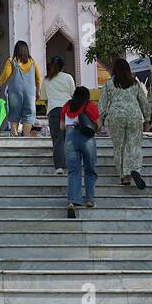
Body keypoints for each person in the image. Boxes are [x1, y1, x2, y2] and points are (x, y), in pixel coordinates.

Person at [100, 56, 148, 189]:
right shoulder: (135, 83)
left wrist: (102, 118)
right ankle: (135, 169)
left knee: (119, 147)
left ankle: (124, 177)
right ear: (128, 69)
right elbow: (143, 102)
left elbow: (102, 104)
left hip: (116, 116)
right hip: (134, 115)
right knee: (134, 145)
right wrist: (147, 118)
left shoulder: (109, 84)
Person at [62, 86, 100, 219]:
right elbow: (98, 124)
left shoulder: (67, 105)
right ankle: (89, 199)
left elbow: (62, 126)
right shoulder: (90, 106)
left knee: (73, 170)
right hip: (87, 138)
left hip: (70, 137)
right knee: (90, 169)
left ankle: (73, 201)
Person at [0, 41, 41, 137]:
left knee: (14, 114)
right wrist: (38, 91)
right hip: (30, 94)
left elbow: (5, 74)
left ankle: (15, 135)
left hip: (15, 93)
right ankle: (26, 136)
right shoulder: (33, 62)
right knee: (28, 115)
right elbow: (38, 79)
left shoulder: (11, 61)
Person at [42, 56, 76, 175]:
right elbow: (73, 94)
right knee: (68, 138)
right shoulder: (68, 77)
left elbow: (45, 99)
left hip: (54, 110)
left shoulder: (46, 80)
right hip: (68, 110)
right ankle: (70, 164)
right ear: (63, 66)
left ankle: (59, 167)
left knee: (57, 139)